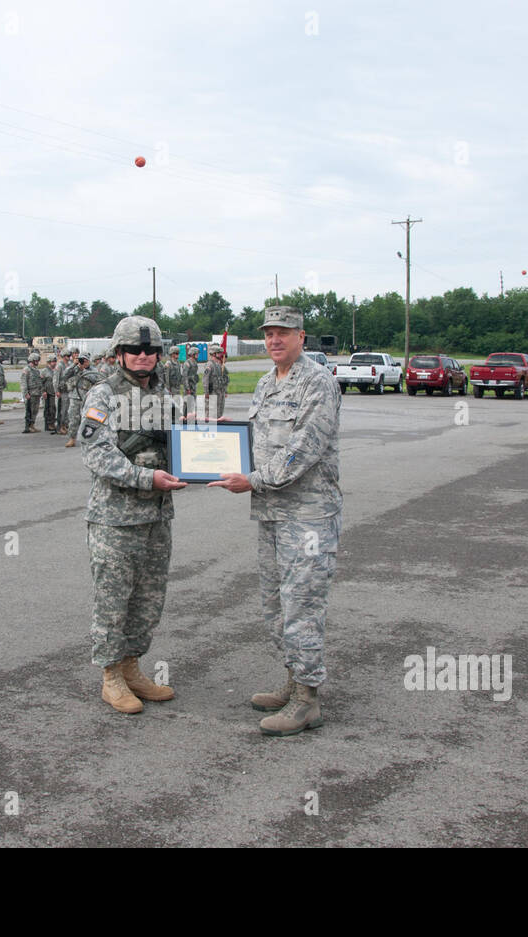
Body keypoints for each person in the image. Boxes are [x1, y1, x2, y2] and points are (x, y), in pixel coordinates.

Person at [210, 306, 342, 737]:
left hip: (307, 517)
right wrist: (220, 435)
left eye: (283, 333)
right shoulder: (267, 383)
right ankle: (292, 680)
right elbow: (261, 440)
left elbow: (303, 451)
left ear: (302, 337)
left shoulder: (318, 382)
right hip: (271, 512)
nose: (274, 340)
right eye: (268, 334)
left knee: (302, 605)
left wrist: (251, 479)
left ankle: (308, 700)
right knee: (275, 604)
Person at [79, 315, 186, 714]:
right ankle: (111, 676)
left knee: (148, 599)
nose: (143, 356)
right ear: (119, 353)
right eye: (135, 350)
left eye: (151, 350)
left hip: (157, 518)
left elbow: (180, 438)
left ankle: (132, 666)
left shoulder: (163, 395)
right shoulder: (102, 395)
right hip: (115, 518)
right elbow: (97, 455)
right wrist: (147, 479)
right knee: (113, 600)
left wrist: (210, 435)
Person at [203, 346, 230, 420]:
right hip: (213, 393)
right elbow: (205, 380)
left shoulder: (219, 365)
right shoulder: (209, 365)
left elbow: (223, 379)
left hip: (220, 393)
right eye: (219, 353)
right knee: (211, 414)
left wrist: (225, 391)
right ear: (214, 354)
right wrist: (206, 393)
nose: (221, 355)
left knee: (219, 413)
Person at [21, 352, 43, 433]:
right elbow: (24, 382)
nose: (37, 362)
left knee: (35, 410)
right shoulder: (27, 369)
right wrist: (25, 393)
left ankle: (32, 425)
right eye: (35, 360)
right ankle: (28, 426)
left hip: (36, 393)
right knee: (29, 411)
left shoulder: (36, 370)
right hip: (30, 394)